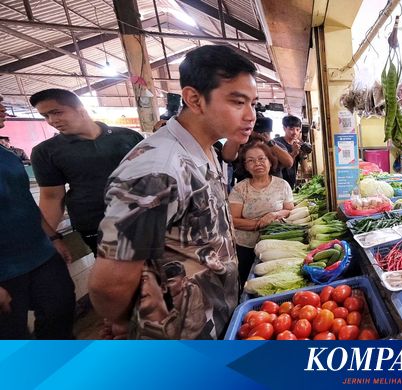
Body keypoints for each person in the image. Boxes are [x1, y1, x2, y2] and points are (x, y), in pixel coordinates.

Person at [88, 44, 258, 340]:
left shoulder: (206, 151)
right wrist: (119, 322)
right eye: (238, 102)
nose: (250, 115)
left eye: (253, 103)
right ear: (194, 99)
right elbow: (110, 283)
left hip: (214, 320)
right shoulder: (157, 171)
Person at [29, 89, 144, 255]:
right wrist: (48, 238)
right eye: (45, 116)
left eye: (57, 112)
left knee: (161, 270)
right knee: (118, 275)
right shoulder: (45, 151)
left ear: (80, 109)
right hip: (96, 224)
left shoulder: (128, 137)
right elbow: (52, 197)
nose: (52, 120)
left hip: (141, 217)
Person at [0, 94, 76, 339]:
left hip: (40, 255)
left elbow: (25, 203)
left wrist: (53, 237)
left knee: (60, 310)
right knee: (12, 334)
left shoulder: (8, 157)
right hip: (5, 269)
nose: (3, 108)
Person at [228, 142, 294, 287]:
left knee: (275, 282)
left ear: (270, 161)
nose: (257, 163)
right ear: (245, 166)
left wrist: (274, 215)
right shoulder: (239, 189)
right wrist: (259, 224)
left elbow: (289, 210)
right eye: (250, 161)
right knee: (248, 283)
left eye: (261, 159)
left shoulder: (282, 185)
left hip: (276, 245)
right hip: (246, 247)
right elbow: (233, 220)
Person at [224, 115, 293, 184]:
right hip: (247, 188)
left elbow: (289, 163)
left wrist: (270, 143)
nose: (260, 135)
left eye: (265, 132)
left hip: (273, 188)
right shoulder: (240, 144)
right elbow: (227, 157)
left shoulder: (275, 145)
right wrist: (241, 134)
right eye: (258, 132)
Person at [274, 115, 306, 189]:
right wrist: (294, 153)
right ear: (284, 128)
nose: (295, 132)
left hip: (291, 184)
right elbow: (277, 166)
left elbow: (305, 169)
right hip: (278, 183)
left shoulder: (298, 144)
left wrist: (303, 154)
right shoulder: (276, 143)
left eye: (298, 130)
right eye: (291, 129)